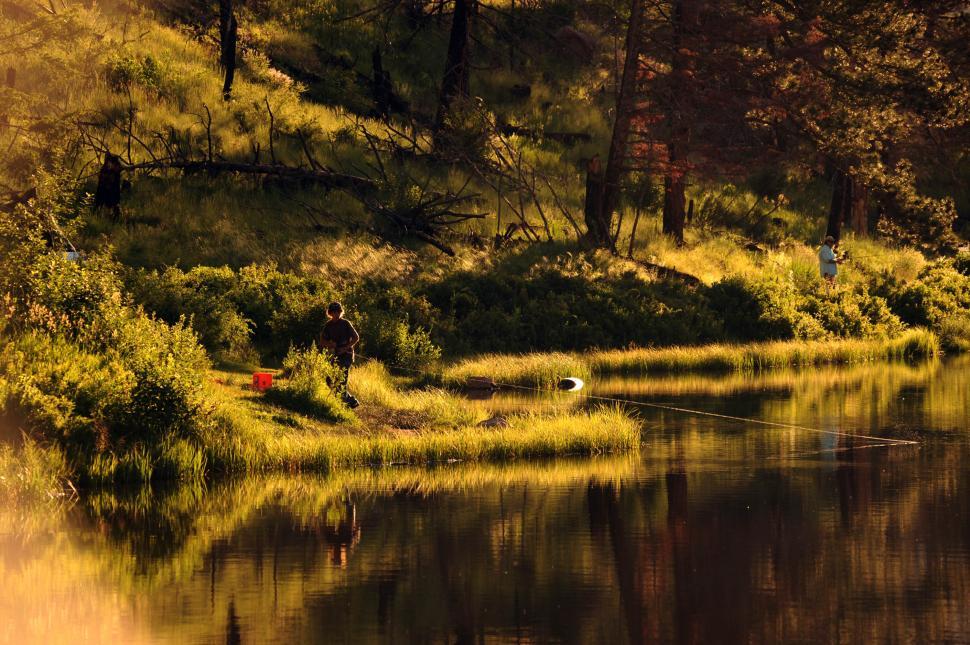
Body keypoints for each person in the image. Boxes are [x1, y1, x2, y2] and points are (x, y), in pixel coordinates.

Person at [319, 302, 360, 408]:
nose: (336, 314)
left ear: (341, 312)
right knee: (329, 380)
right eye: (333, 312)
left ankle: (344, 405)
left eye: (338, 312)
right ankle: (350, 401)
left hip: (346, 356)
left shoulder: (346, 323)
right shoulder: (328, 326)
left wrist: (345, 348)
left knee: (341, 381)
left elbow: (356, 337)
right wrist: (330, 344)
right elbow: (322, 341)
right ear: (330, 313)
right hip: (335, 356)